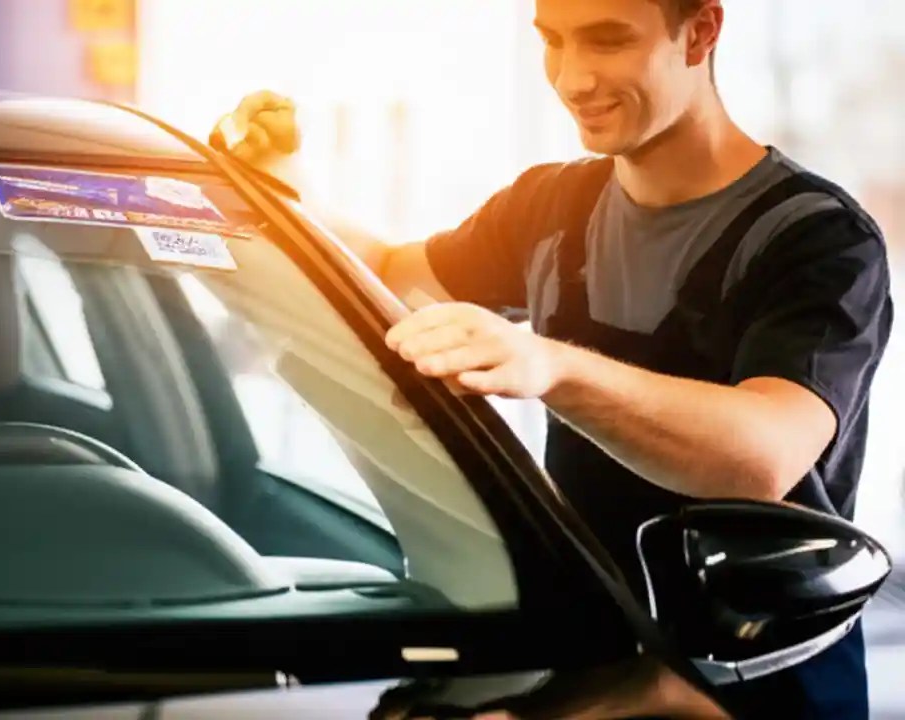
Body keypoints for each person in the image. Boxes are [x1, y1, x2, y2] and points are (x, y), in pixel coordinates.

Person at [210, 0, 894, 718]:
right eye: (553, 41)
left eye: (607, 40)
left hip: (764, 686)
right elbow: (385, 268)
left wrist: (551, 367)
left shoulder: (819, 242)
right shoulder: (552, 206)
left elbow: (758, 456)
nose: (572, 78)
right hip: (584, 664)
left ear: (700, 32)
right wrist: (287, 186)